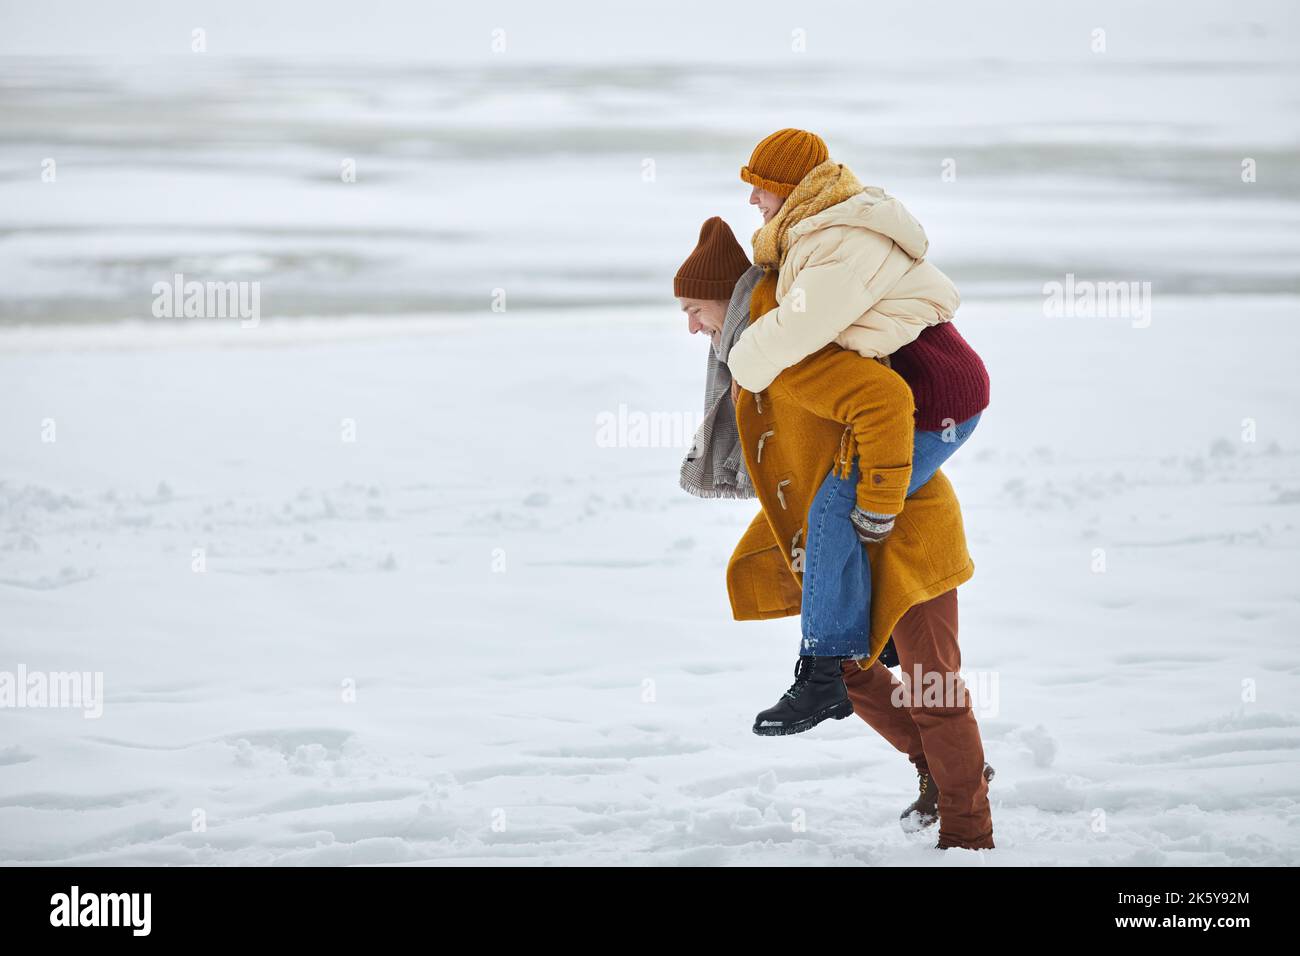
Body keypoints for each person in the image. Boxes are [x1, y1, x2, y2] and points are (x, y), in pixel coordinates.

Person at [674, 216, 996, 849]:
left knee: (934, 688)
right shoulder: (763, 353)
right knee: (850, 670)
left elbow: (886, 407)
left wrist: (874, 506)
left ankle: (968, 831)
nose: (690, 326)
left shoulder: (787, 351)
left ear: (725, 299)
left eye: (694, 308)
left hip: (906, 532)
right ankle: (946, 771)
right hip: (851, 537)